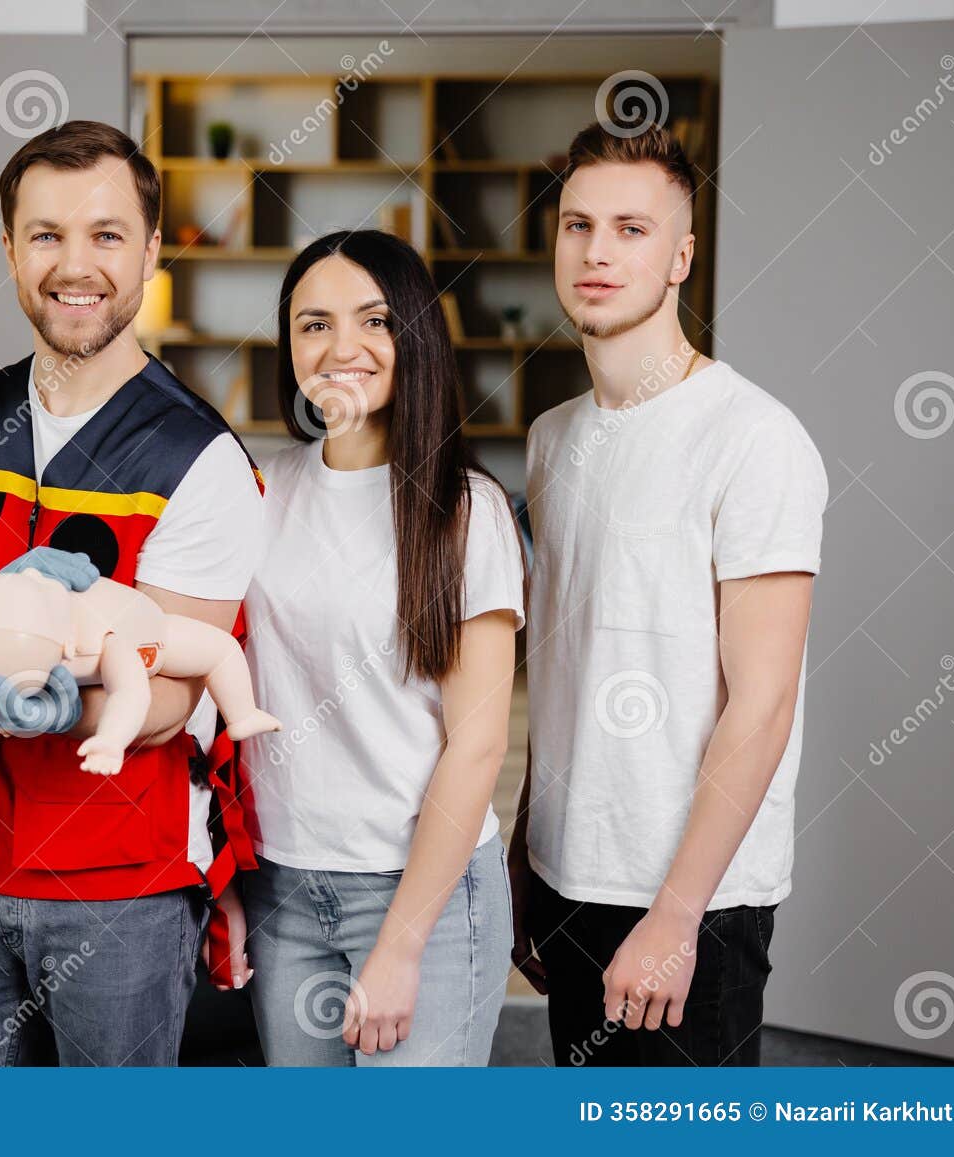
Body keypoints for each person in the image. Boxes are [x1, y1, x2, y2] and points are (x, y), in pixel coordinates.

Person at [0, 120, 265, 1066]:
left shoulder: (202, 460)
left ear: (152, 249)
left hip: (124, 891)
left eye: (108, 234)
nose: (77, 264)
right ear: (10, 250)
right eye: (47, 235)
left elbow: (167, 705)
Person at [511, 122, 828, 1066]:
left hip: (694, 895)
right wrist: (530, 847)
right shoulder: (552, 440)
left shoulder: (752, 437)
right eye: (577, 225)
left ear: (682, 256)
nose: (597, 251)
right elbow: (561, 670)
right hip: (567, 875)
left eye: (631, 229)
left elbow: (763, 704)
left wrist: (676, 915)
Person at [234, 230, 524, 1066]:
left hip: (418, 896)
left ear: (417, 337)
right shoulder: (259, 487)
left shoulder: (467, 510)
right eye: (313, 323)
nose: (340, 349)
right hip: (282, 885)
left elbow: (479, 744)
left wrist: (400, 944)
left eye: (374, 321)